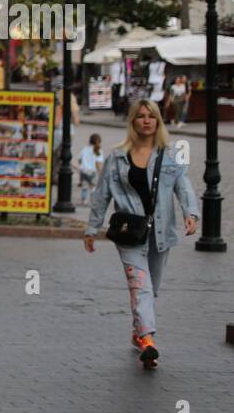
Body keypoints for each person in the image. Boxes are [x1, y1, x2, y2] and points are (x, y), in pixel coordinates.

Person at [84, 99, 199, 370]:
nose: (146, 120)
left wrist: (190, 214)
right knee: (141, 287)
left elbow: (184, 187)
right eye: (141, 116)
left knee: (151, 289)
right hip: (129, 233)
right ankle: (148, 340)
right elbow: (101, 195)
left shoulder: (169, 155)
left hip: (160, 232)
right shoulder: (117, 157)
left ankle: (138, 331)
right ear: (133, 121)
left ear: (158, 122)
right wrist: (91, 229)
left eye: (151, 116)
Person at [75, 133, 103, 205]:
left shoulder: (85, 149)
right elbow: (98, 163)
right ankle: (92, 201)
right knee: (93, 187)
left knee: (84, 187)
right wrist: (101, 172)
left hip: (84, 171)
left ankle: (83, 200)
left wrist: (82, 165)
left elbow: (79, 159)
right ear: (99, 142)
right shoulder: (98, 151)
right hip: (93, 172)